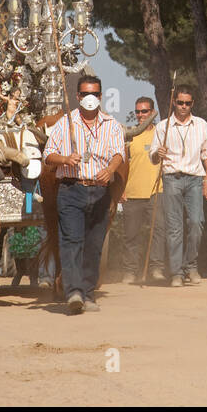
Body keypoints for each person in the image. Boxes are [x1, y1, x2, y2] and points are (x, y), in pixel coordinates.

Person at [43, 75, 125, 314]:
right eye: (86, 94)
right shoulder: (64, 124)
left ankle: (88, 293)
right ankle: (74, 293)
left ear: (101, 96)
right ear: (78, 96)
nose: (91, 98)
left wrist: (109, 170)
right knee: (71, 242)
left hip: (100, 192)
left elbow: (119, 153)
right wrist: (65, 158)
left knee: (94, 245)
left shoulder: (112, 124)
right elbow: (48, 155)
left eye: (95, 94)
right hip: (71, 189)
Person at [149, 86, 207, 287]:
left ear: (193, 104)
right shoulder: (163, 126)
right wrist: (157, 154)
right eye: (180, 102)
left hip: (195, 178)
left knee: (196, 223)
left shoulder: (201, 124)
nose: (184, 107)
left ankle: (191, 265)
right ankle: (176, 272)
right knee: (174, 228)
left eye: (188, 103)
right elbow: (152, 156)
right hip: (172, 178)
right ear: (174, 102)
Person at [119, 96, 168, 284]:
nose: (141, 115)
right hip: (132, 192)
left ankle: (156, 269)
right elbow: (121, 165)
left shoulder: (161, 134)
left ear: (153, 113)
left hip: (157, 190)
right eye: (138, 111)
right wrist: (120, 190)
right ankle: (130, 271)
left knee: (159, 231)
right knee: (131, 235)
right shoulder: (129, 135)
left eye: (145, 111)